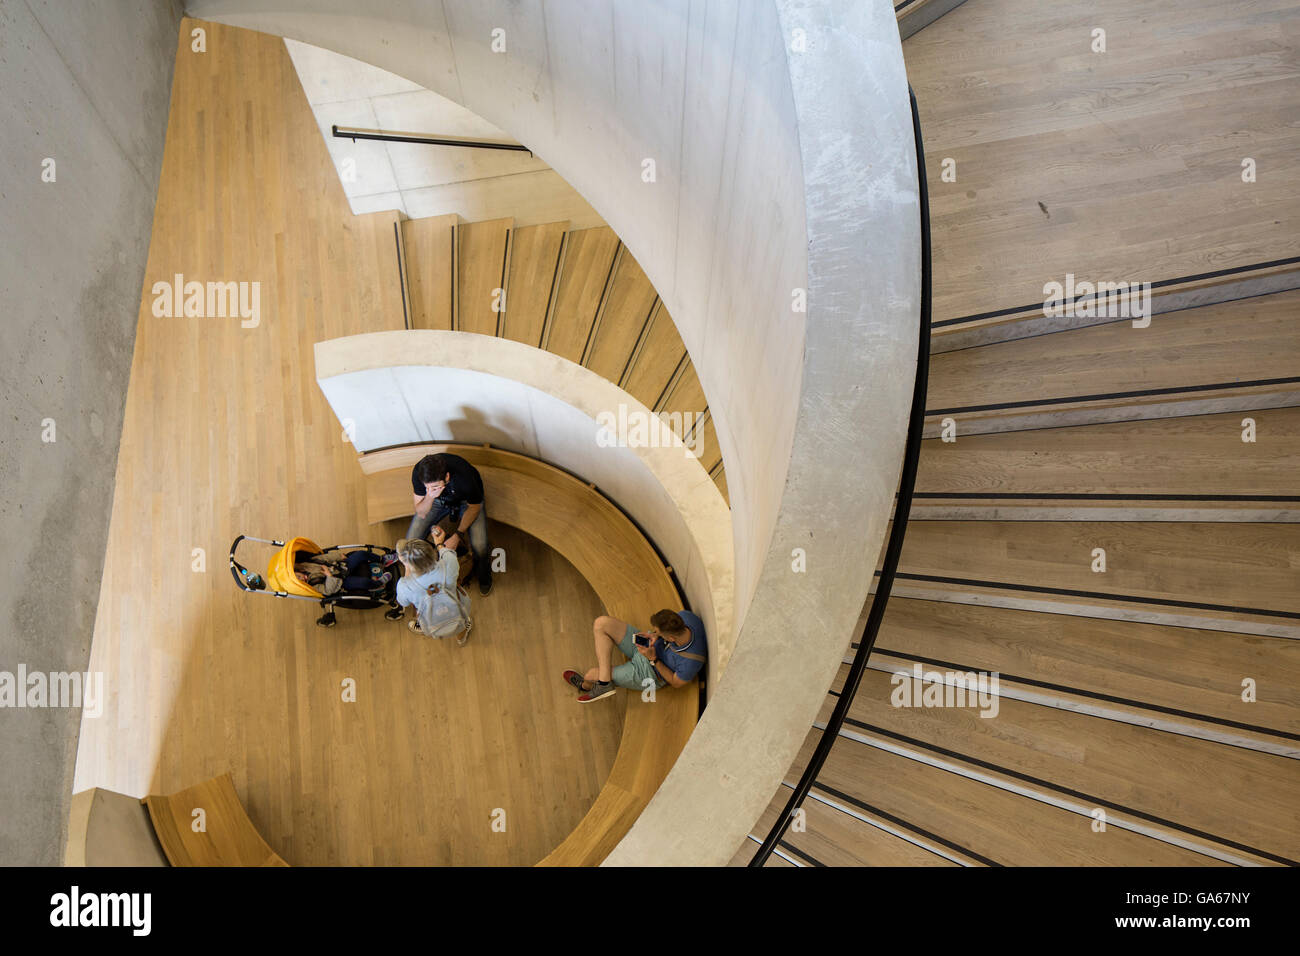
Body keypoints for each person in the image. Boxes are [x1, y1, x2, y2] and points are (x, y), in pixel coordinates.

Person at [563, 609, 706, 703]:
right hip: (648, 646)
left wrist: (653, 659)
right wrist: (654, 635)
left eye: (659, 632)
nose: (656, 632)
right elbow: (665, 632)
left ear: (671, 638)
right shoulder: (686, 617)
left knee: (590, 675)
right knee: (601, 623)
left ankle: (586, 685)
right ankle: (604, 683)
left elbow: (675, 683)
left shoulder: (691, 662)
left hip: (650, 672)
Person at [408, 453, 493, 596]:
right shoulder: (420, 474)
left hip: (466, 502)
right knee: (411, 540)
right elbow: (421, 512)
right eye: (426, 487)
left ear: (446, 477)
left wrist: (457, 535)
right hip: (437, 501)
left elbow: (475, 507)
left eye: (435, 486)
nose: (430, 489)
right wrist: (430, 496)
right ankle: (428, 571)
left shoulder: (464, 477)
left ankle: (484, 575)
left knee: (480, 545)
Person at [394, 532, 470, 646]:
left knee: (427, 623)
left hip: (429, 616)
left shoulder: (404, 586)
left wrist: (407, 569)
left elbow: (403, 602)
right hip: (458, 605)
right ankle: (461, 639)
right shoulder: (449, 562)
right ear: (432, 552)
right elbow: (446, 553)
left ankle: (426, 628)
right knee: (461, 625)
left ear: (408, 563)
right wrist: (439, 543)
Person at [295, 548, 391, 596]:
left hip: (342, 566)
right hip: (340, 582)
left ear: (298, 571)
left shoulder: (307, 564)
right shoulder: (311, 585)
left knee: (361, 554)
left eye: (299, 576)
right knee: (364, 582)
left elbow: (325, 558)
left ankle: (382, 559)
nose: (302, 579)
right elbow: (328, 590)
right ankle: (378, 584)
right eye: (300, 581)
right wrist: (329, 575)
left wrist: (339, 556)